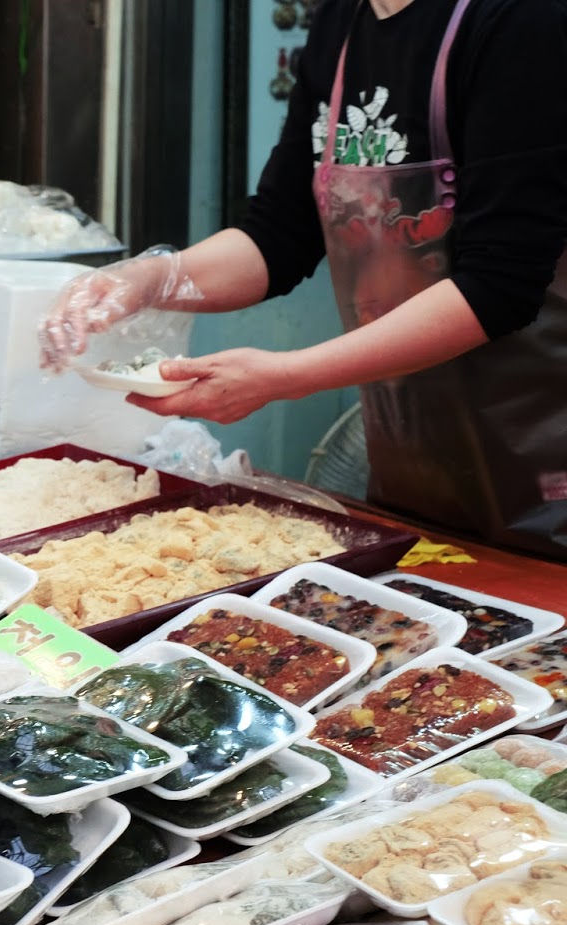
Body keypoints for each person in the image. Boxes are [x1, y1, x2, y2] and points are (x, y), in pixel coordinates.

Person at [42, 0, 567, 560]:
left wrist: (285, 376)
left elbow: (499, 284)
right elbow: (278, 238)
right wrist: (151, 279)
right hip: (416, 467)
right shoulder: (342, 26)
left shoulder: (523, 21)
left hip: (545, 463)